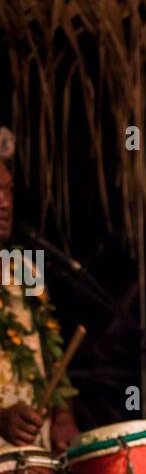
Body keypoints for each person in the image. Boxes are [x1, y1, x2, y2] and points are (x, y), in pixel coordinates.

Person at [0, 128, 78, 454]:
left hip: (36, 454)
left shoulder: (23, 266)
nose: (4, 203)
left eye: (8, 191)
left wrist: (63, 415)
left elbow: (49, 348)